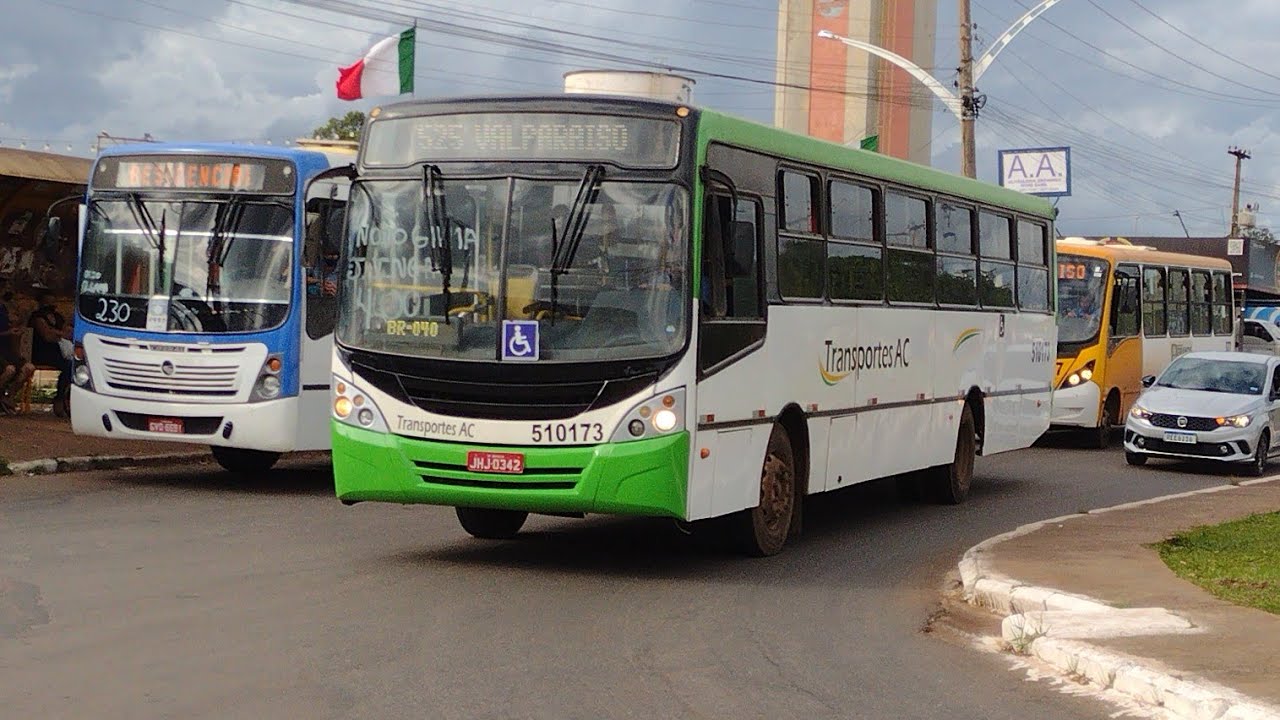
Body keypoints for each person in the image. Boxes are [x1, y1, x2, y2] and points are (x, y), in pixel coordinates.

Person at [28, 289, 72, 416]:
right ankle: (58, 399)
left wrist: (56, 333)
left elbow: (68, 333)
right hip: (42, 352)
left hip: (59, 351)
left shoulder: (58, 317)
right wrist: (58, 334)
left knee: (72, 365)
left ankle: (65, 397)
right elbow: (46, 335)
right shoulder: (37, 317)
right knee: (66, 365)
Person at [0, 278, 35, 413]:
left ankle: (9, 396)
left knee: (28, 368)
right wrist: (7, 332)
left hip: (7, 350)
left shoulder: (4, 308)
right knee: (9, 370)